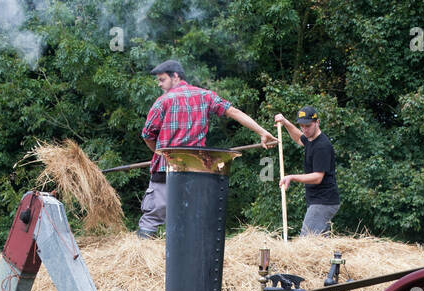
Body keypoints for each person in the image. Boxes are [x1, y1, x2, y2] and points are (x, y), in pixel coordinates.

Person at [138, 59, 277, 238]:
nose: (159, 84)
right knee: (191, 218)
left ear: (175, 76)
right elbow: (233, 111)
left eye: (162, 79)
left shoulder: (162, 102)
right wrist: (262, 132)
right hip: (197, 170)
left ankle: (141, 260)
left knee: (152, 218)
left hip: (165, 170)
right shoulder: (205, 96)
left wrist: (160, 154)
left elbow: (148, 135)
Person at [273, 106, 340, 236]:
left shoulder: (322, 146)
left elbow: (317, 177)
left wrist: (291, 177)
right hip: (319, 201)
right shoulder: (310, 139)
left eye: (308, 126)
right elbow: (298, 138)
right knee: (319, 244)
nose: (304, 129)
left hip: (323, 202)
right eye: (302, 126)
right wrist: (285, 123)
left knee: (307, 241)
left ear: (317, 122)